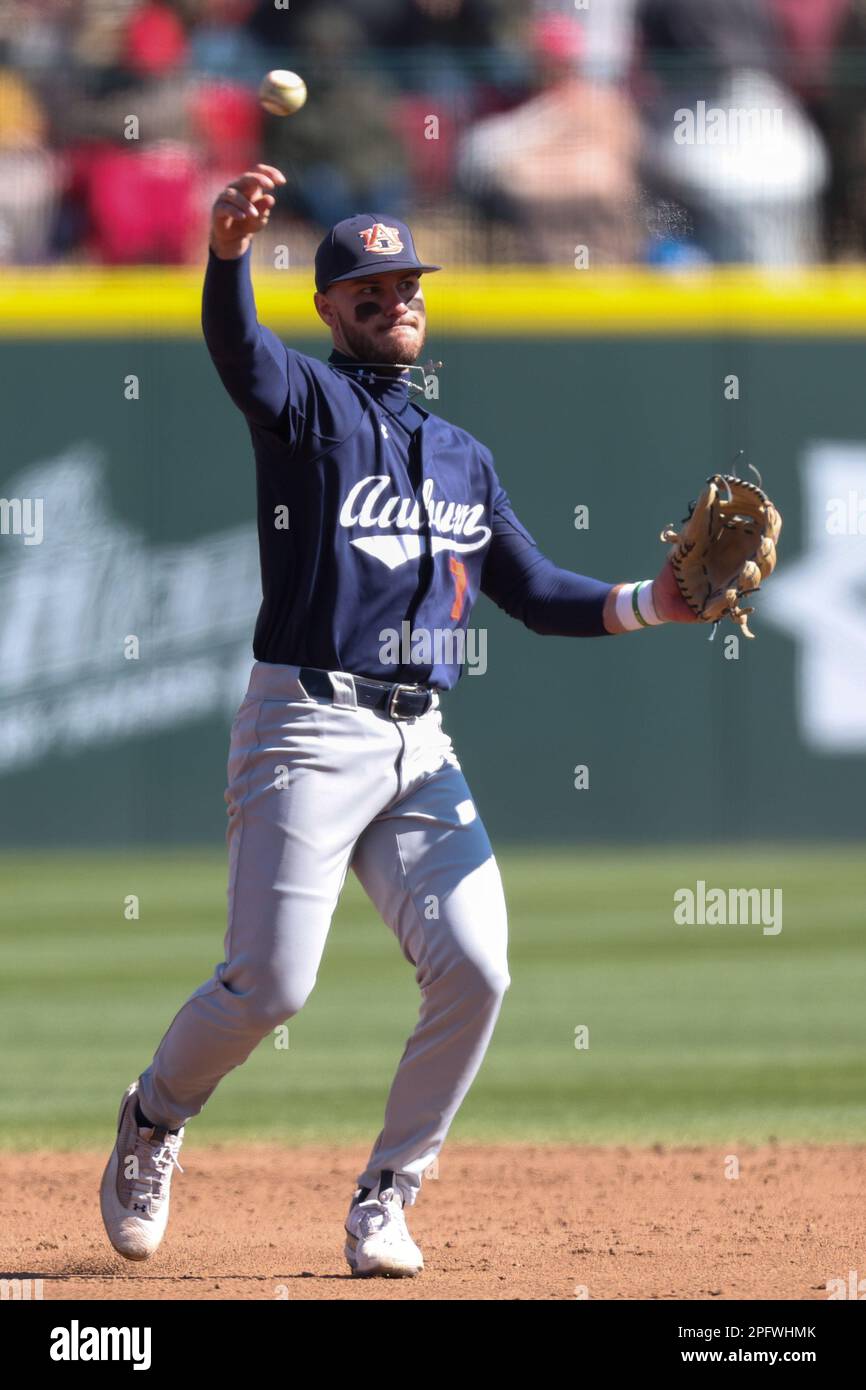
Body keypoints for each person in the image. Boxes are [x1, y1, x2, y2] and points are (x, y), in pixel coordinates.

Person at [100, 163, 695, 1279]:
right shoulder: (305, 408)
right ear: (328, 310)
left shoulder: (463, 454)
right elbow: (237, 350)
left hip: (421, 745)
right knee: (270, 985)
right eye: (367, 291)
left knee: (476, 966)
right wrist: (227, 252)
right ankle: (153, 1116)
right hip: (305, 730)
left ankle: (388, 1193)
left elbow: (530, 591)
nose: (393, 301)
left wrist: (651, 602)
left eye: (406, 284)